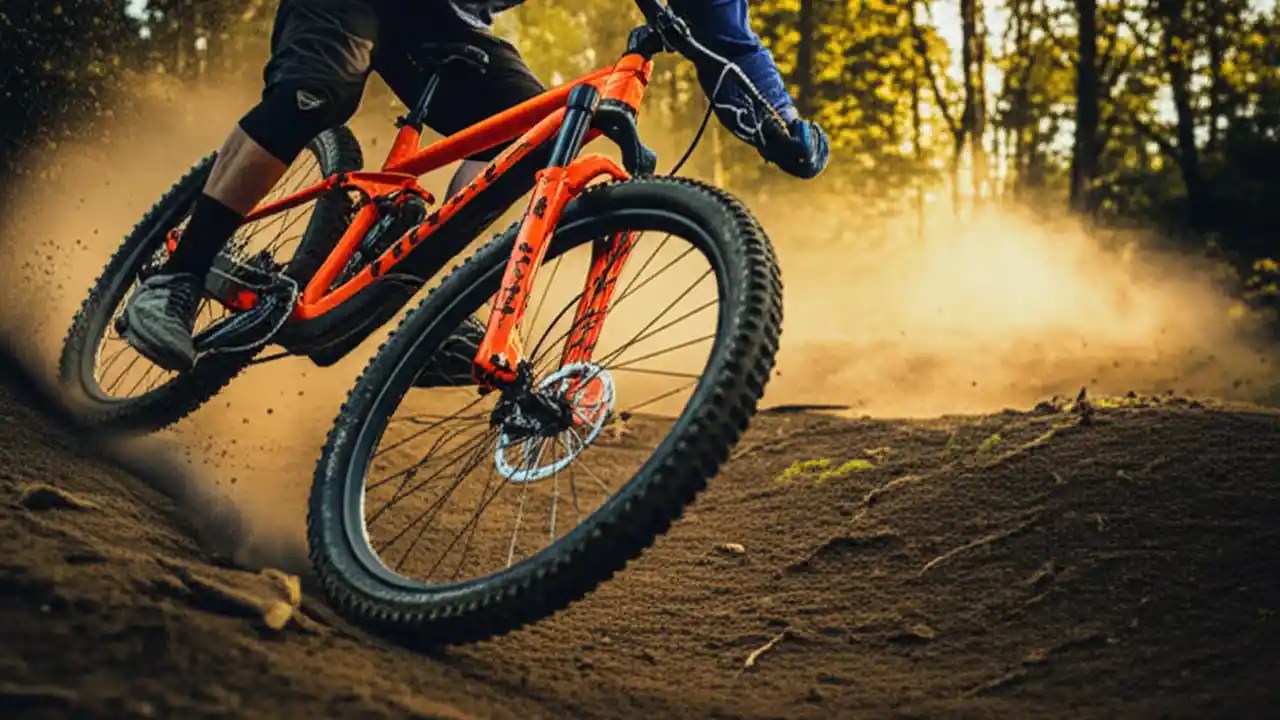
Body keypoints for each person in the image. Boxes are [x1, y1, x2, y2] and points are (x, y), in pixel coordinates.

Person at [122, 0, 830, 372]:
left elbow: (725, 41)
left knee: (536, 134)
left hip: (448, 21)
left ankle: (393, 277)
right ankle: (175, 280)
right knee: (316, 91)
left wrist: (780, 129)